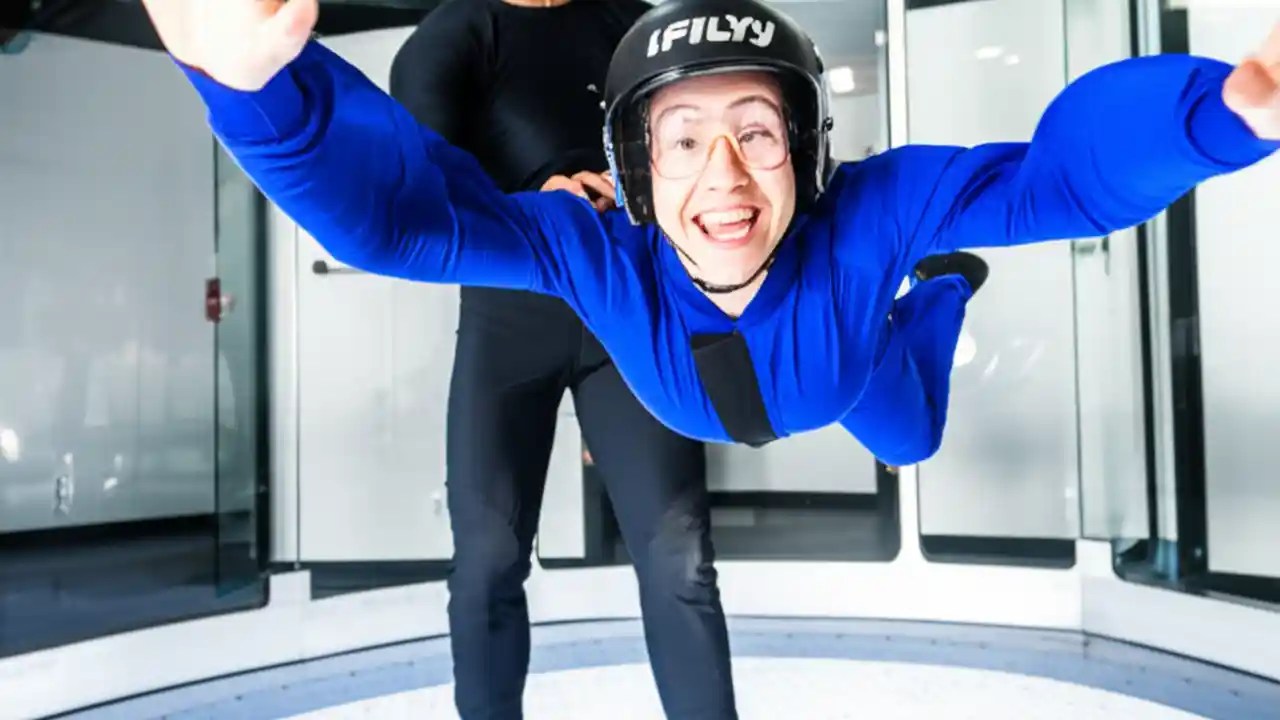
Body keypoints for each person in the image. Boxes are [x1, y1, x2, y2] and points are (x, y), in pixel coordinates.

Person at [143, 0, 1278, 485]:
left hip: (850, 364)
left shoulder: (869, 208)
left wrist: (1221, 113)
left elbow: (1058, 180)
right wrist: (256, 94)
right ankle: (916, 302)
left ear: (810, 153)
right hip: (781, 368)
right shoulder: (594, 247)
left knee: (912, 441)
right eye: (680, 141)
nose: (722, 181)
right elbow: (403, 218)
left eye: (754, 132)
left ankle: (931, 302)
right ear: (633, 171)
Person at [385, 1, 735, 718]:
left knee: (681, 560)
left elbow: (698, 144)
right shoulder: (456, 34)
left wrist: (635, 187)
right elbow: (420, 177)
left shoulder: (634, 27)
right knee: (486, 561)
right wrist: (532, 199)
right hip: (510, 317)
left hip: (629, 311)